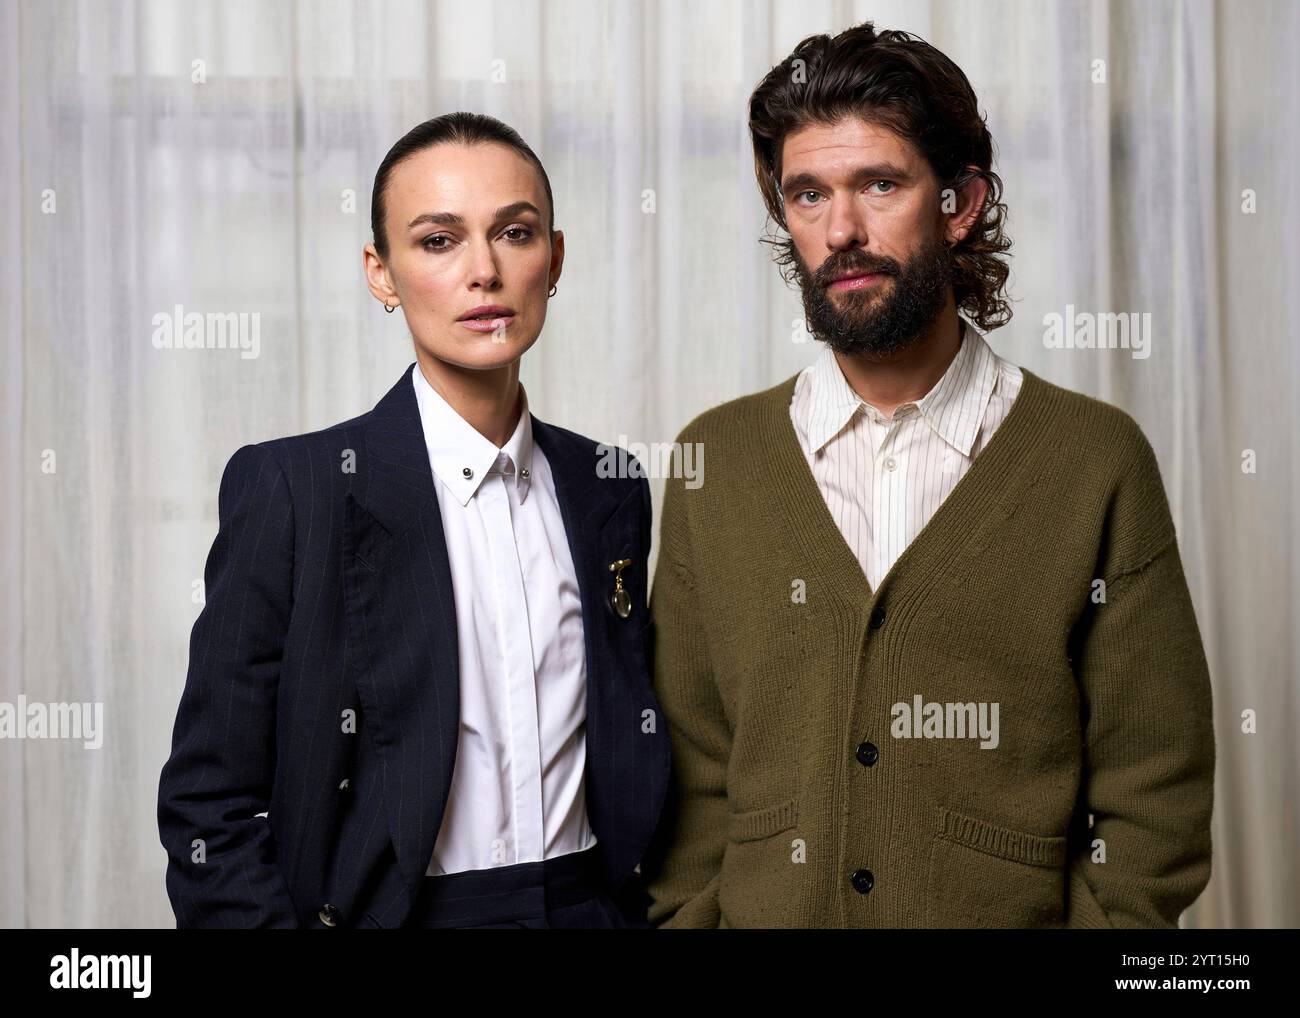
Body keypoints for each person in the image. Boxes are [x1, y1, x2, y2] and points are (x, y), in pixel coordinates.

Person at [641, 23, 1214, 928]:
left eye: (880, 184)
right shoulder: (717, 463)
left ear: (959, 202)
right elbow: (692, 779)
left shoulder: (1094, 460)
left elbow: (1155, 792)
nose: (842, 230)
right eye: (807, 194)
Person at [158, 112, 669, 929]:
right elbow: (208, 805)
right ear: (381, 273)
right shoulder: (298, 489)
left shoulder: (610, 485)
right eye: (438, 240)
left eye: (515, 232)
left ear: (556, 258)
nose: (485, 271)